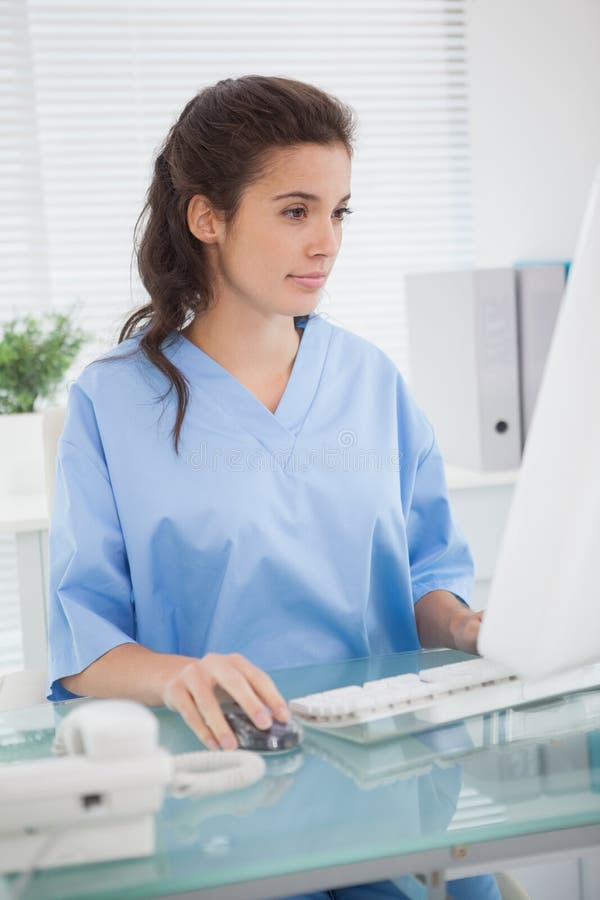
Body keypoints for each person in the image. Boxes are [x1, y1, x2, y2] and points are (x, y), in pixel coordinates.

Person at [47, 75, 499, 900]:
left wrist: (471, 626)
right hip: (212, 808)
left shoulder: (370, 380)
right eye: (296, 211)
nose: (325, 242)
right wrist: (178, 675)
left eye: (338, 212)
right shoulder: (113, 401)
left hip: (388, 797)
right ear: (207, 218)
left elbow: (426, 576)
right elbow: (85, 646)